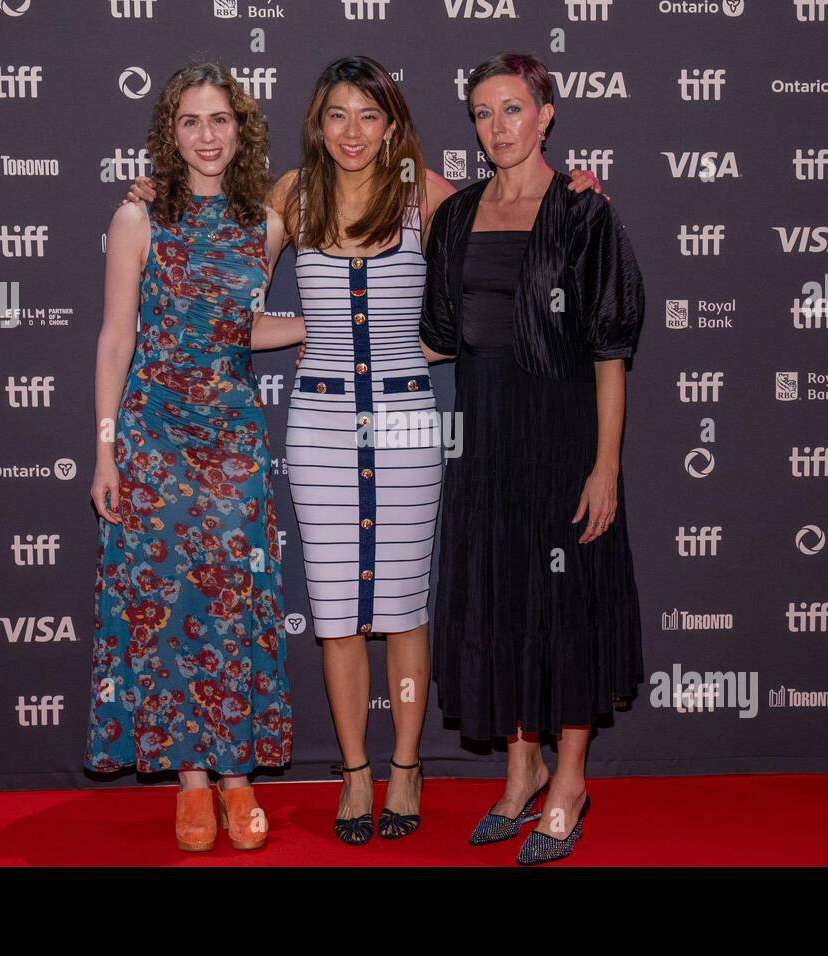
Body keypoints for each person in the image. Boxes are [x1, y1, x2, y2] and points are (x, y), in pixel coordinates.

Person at [125, 55, 602, 845]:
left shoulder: (427, 194)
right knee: (339, 614)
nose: (353, 132)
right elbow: (225, 306)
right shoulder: (291, 195)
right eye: (338, 115)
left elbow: (514, 225)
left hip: (410, 422)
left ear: (392, 123)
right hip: (316, 424)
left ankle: (406, 768)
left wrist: (573, 194)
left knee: (407, 607)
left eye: (369, 116)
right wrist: (157, 205)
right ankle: (354, 773)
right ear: (319, 123)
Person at [419, 52, 646, 865]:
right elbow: (442, 336)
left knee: (570, 607)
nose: (497, 128)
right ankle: (520, 772)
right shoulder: (458, 214)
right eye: (482, 113)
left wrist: (604, 466)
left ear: (546, 113)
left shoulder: (583, 212)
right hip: (483, 444)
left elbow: (611, 349)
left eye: (512, 109)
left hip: (563, 441)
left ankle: (570, 781)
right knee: (502, 602)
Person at [86, 61, 303, 854]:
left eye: (220, 120)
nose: (206, 135)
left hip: (233, 439)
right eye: (190, 121)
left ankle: (238, 770)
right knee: (166, 607)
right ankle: (191, 781)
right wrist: (106, 451)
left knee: (234, 601)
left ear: (241, 130)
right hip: (153, 436)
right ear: (168, 135)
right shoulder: (138, 218)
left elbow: (237, 330)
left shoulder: (267, 223)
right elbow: (118, 337)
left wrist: (310, 328)